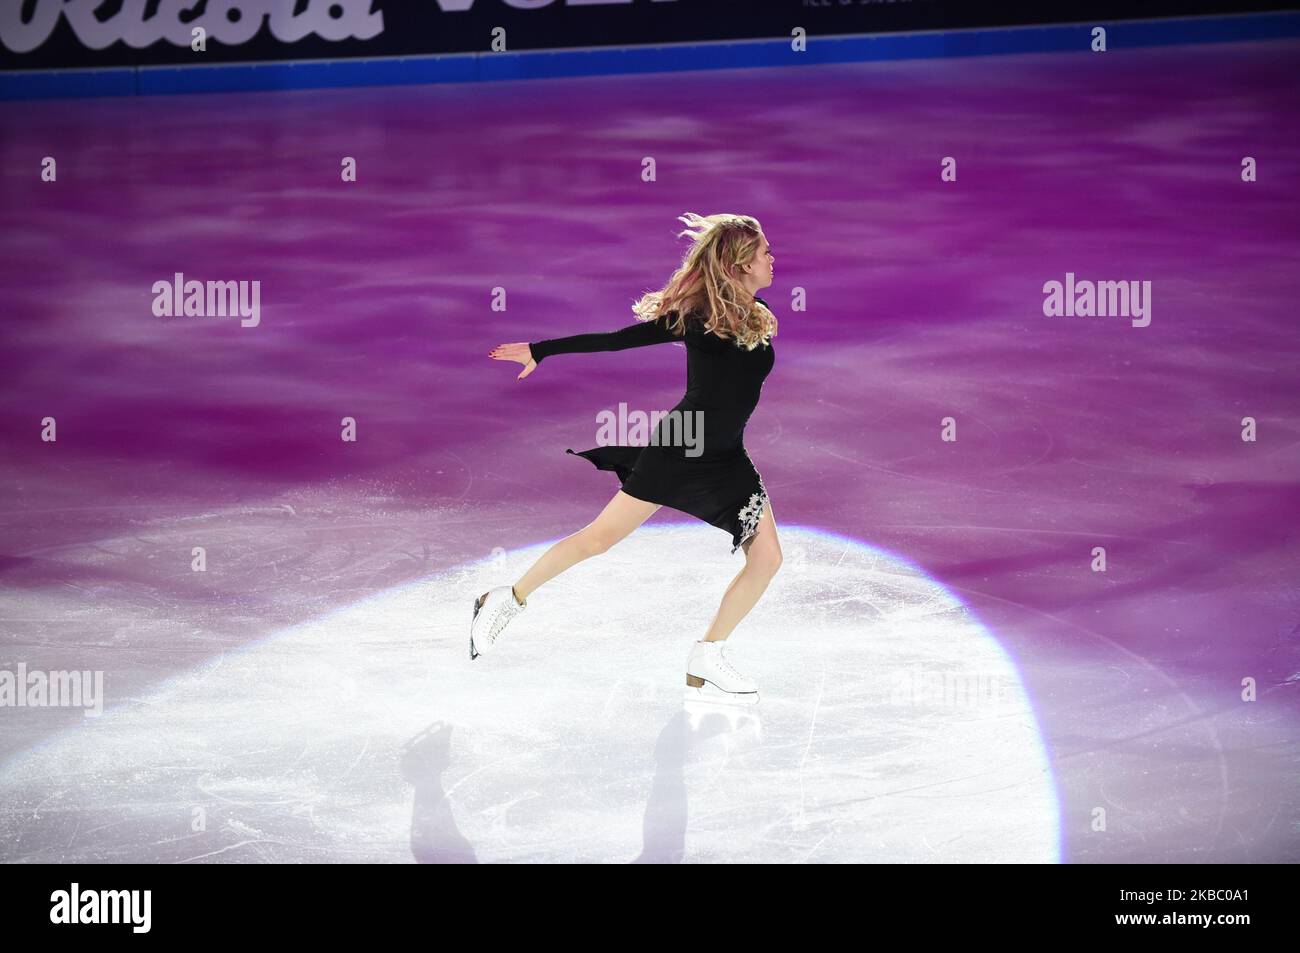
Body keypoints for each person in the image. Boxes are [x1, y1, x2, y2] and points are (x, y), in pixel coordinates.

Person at [474, 213, 782, 704]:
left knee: (767, 558)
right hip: (682, 447)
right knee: (599, 539)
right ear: (742, 262)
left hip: (726, 455)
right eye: (765, 251)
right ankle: (505, 600)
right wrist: (540, 349)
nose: (773, 258)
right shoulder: (698, 319)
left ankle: (708, 654)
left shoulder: (755, 313)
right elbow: (617, 340)